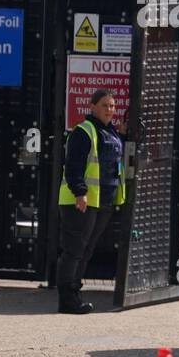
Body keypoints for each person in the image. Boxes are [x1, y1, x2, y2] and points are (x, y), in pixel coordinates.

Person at [56, 89, 126, 314]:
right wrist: (80, 192)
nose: (109, 110)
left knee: (85, 250)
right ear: (92, 106)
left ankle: (75, 295)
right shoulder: (84, 131)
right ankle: (67, 299)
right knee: (74, 250)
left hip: (101, 202)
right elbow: (73, 165)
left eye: (112, 106)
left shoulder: (111, 132)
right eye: (105, 105)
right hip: (81, 201)